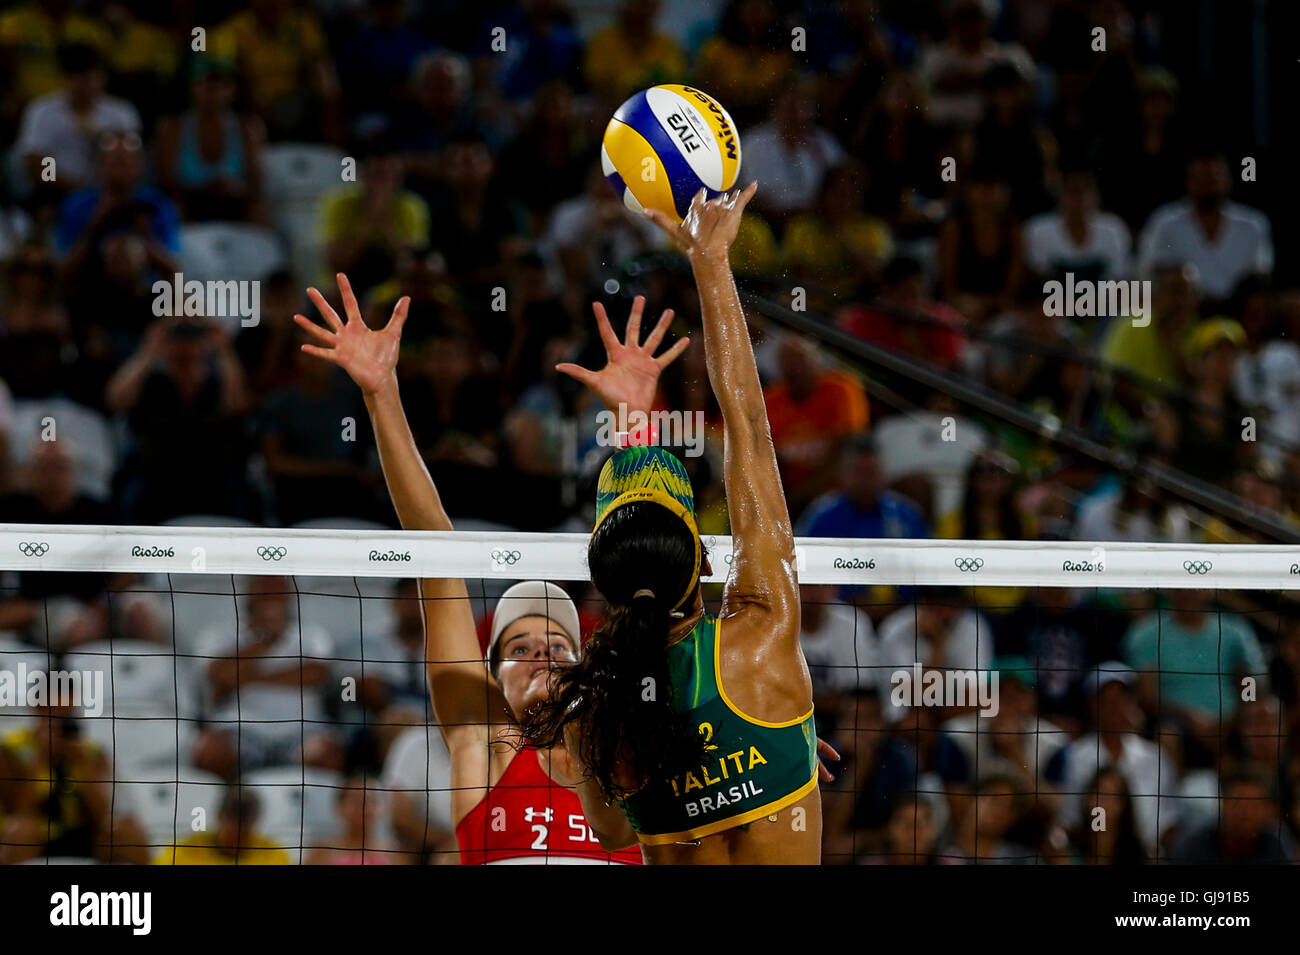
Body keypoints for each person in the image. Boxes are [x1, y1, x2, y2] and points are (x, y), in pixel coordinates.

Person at [294, 273, 663, 864]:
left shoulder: (631, 760)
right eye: (520, 649)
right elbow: (433, 550)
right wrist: (380, 393)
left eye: (556, 647)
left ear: (589, 669)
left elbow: (649, 566)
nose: (542, 656)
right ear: (492, 680)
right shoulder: (485, 748)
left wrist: (634, 424)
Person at [521, 185, 824, 864]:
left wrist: (634, 426)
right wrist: (710, 261)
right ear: (708, 562)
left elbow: (615, 832)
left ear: (602, 584)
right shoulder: (763, 637)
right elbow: (747, 426)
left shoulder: (596, 717)